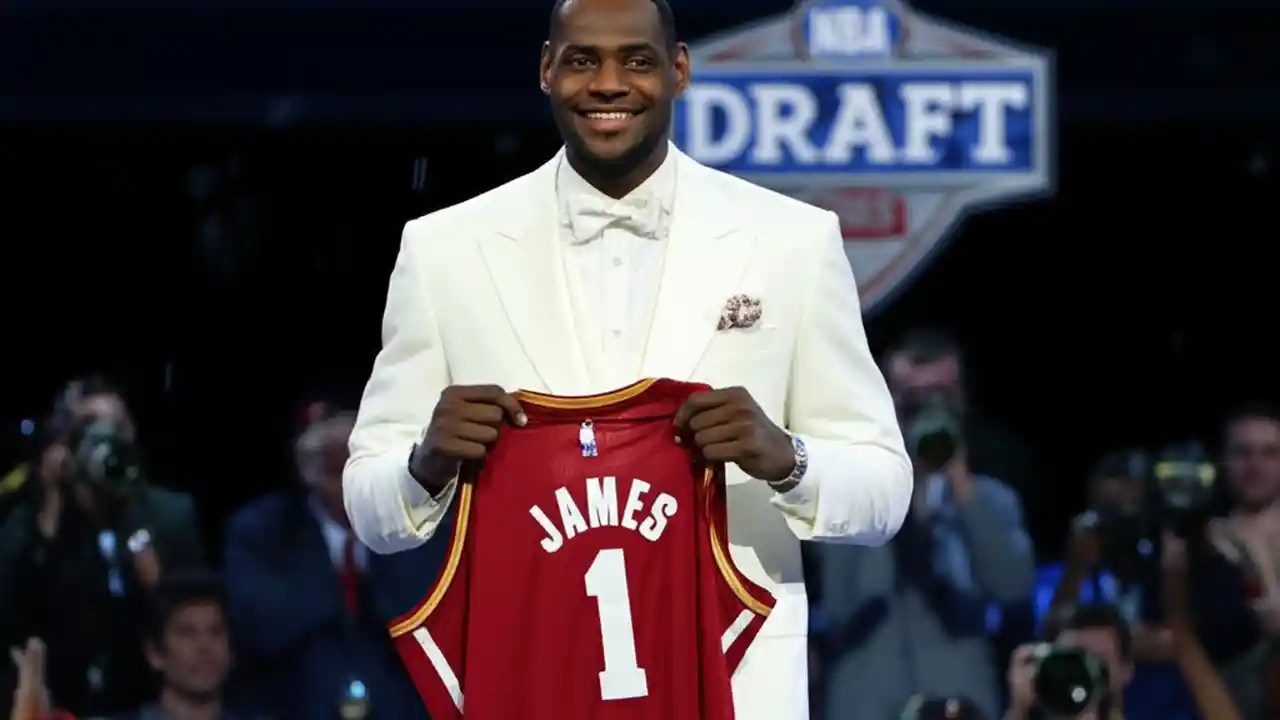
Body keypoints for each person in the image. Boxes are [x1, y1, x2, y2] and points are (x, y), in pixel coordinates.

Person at [341, 0, 912, 716]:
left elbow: (885, 492)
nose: (608, 83)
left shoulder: (792, 241)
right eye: (582, 60)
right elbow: (368, 505)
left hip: (735, 687)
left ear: (679, 70)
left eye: (637, 60)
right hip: (530, 682)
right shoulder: (445, 251)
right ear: (546, 70)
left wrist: (787, 459)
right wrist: (423, 465)